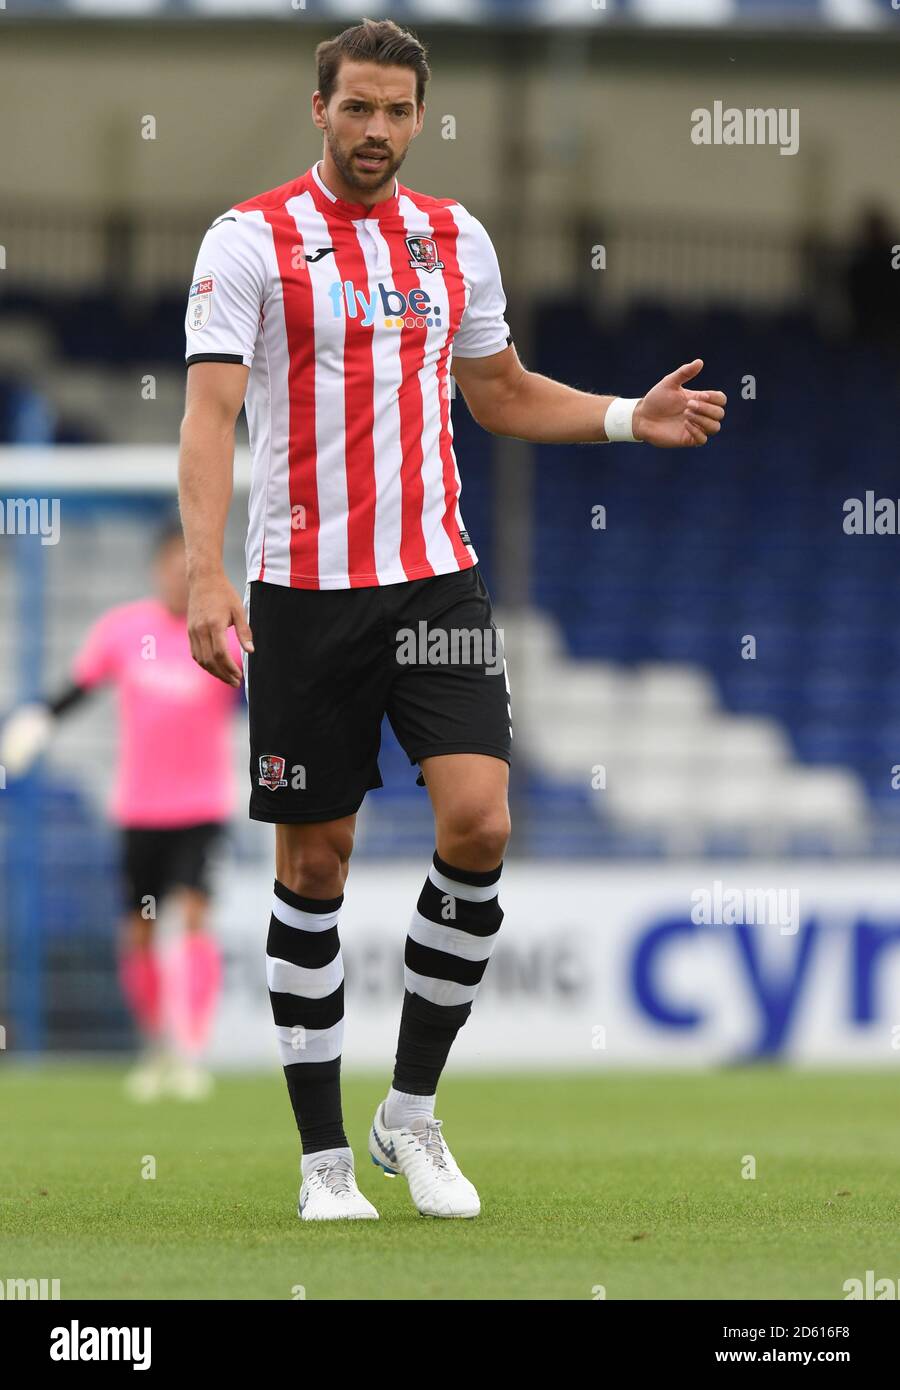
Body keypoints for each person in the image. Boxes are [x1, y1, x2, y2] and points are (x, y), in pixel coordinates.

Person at [178, 19, 727, 1220]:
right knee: (315, 863)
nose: (377, 131)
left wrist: (635, 417)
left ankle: (408, 1116)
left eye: (397, 112)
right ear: (317, 109)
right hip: (307, 595)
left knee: (478, 822)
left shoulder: (452, 238)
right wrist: (208, 577)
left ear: (420, 118)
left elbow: (502, 392)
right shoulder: (249, 243)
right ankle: (323, 1157)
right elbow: (211, 415)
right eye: (356, 108)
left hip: (437, 584)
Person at [0, 518, 243, 1100]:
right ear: (158, 568)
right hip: (139, 809)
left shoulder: (221, 633)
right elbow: (78, 687)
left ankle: (191, 1050)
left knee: (189, 915)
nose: (178, 578)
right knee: (140, 931)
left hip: (202, 804)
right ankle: (155, 1046)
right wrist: (37, 721)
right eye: (170, 565)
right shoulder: (124, 630)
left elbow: (270, 695)